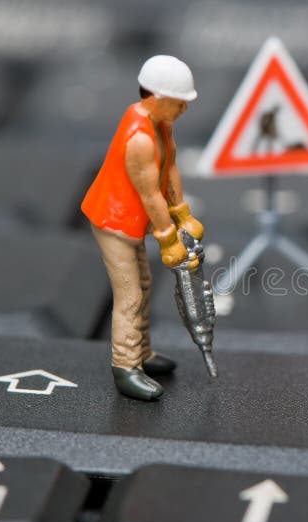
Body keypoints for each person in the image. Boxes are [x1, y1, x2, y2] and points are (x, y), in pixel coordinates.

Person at [81, 55, 203, 401]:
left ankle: (142, 354)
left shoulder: (161, 125)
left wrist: (182, 214)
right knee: (130, 295)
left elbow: (171, 173)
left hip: (132, 222)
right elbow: (150, 195)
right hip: (113, 221)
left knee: (145, 284)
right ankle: (125, 366)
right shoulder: (139, 139)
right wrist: (168, 240)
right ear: (158, 98)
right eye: (180, 102)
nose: (184, 109)